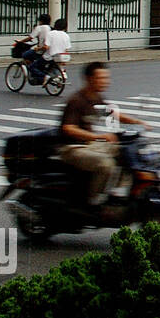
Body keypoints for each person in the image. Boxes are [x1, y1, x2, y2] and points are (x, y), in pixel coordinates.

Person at [58, 62, 150, 207]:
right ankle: (92, 201)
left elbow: (112, 113)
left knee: (126, 154)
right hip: (72, 148)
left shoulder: (96, 98)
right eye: (101, 78)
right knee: (105, 164)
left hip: (90, 145)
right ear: (89, 79)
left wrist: (137, 121)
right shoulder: (77, 100)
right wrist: (98, 137)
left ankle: (117, 191)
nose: (105, 82)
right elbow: (69, 128)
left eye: (106, 78)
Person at [33, 17, 71, 82]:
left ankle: (45, 76)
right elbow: (66, 50)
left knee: (32, 67)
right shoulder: (66, 36)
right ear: (65, 27)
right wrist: (64, 61)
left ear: (55, 25)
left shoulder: (50, 33)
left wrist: (38, 48)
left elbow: (46, 47)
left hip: (49, 57)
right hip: (59, 58)